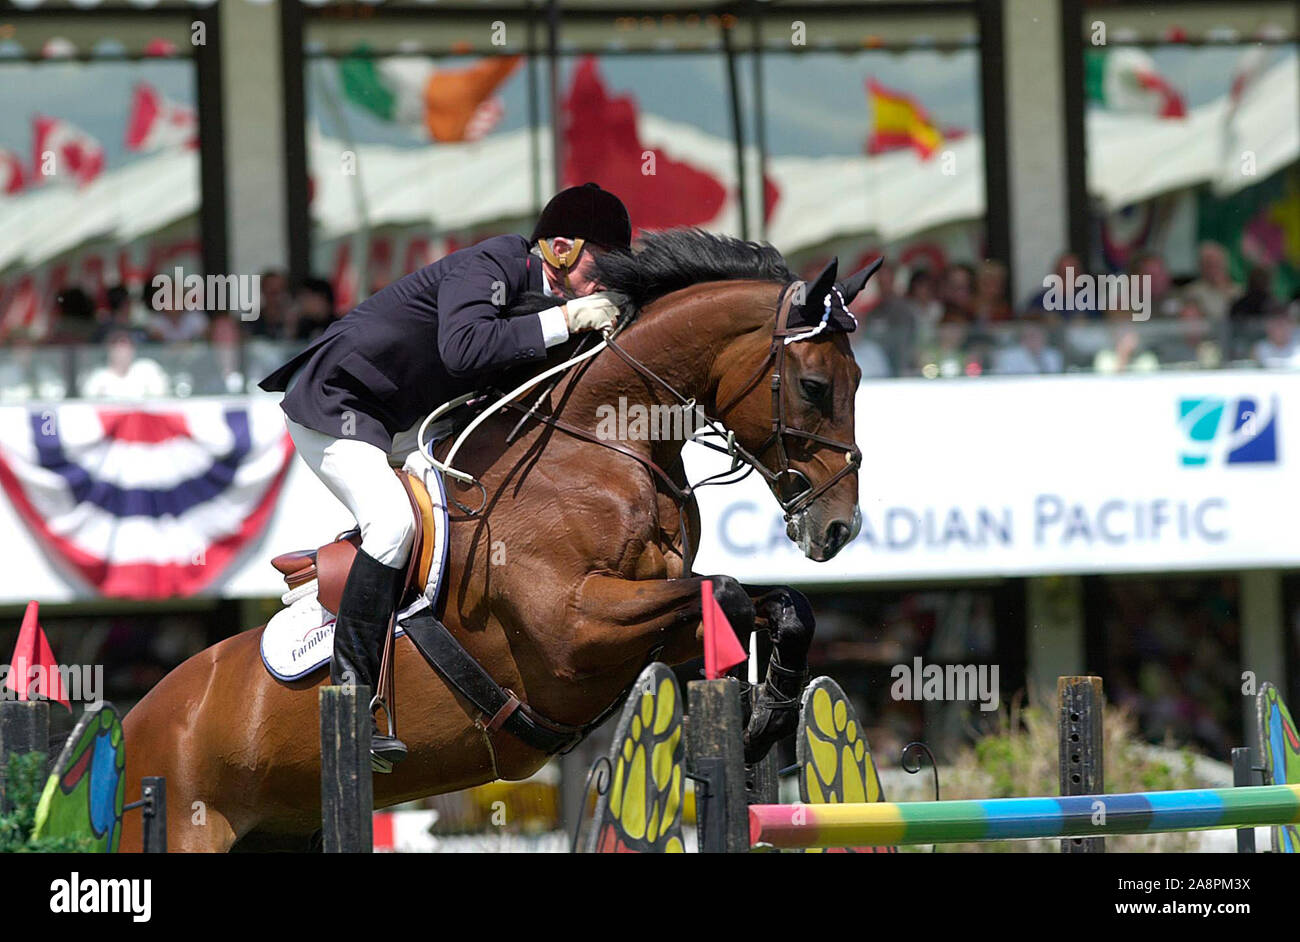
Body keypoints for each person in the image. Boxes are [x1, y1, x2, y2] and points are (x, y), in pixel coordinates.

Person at [258, 182, 631, 770]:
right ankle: (351, 701)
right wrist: (567, 317)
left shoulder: (545, 298)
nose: (606, 281)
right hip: (339, 404)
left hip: (404, 422)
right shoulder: (493, 263)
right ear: (561, 248)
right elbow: (464, 350)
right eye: (601, 266)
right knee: (392, 527)